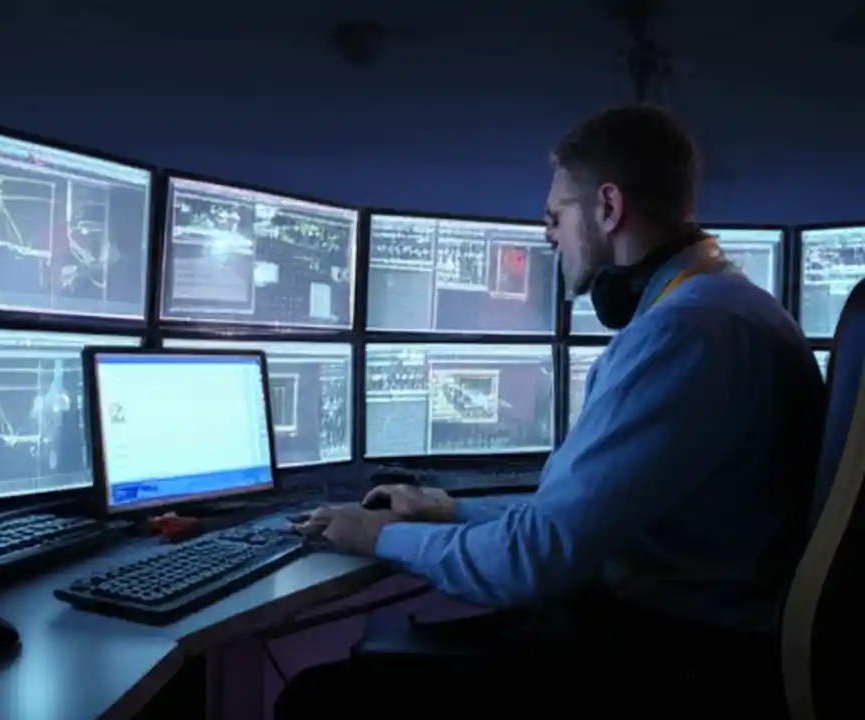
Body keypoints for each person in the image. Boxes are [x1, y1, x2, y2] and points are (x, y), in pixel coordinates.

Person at [278, 105, 825, 717]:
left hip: (671, 658)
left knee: (318, 701)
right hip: (687, 638)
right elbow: (583, 518)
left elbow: (533, 560)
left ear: (609, 208)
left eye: (555, 216)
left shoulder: (685, 333)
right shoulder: (733, 308)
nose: (548, 236)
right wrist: (451, 508)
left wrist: (382, 534)